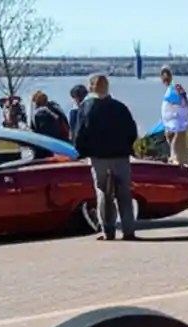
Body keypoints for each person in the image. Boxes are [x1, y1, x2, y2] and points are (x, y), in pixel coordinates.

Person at [74, 75, 139, 241]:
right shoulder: (120, 107)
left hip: (99, 157)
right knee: (124, 193)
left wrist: (82, 151)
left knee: (102, 191)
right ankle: (129, 230)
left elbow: (79, 134)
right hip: (121, 156)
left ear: (91, 88)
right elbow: (132, 131)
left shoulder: (86, 108)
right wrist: (128, 147)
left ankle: (107, 230)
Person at [159, 66, 188, 166]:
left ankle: (179, 164)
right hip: (172, 125)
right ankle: (177, 162)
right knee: (176, 150)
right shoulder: (171, 90)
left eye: (166, 77)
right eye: (163, 77)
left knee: (178, 151)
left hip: (178, 126)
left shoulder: (175, 88)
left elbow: (184, 104)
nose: (165, 80)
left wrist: (185, 120)